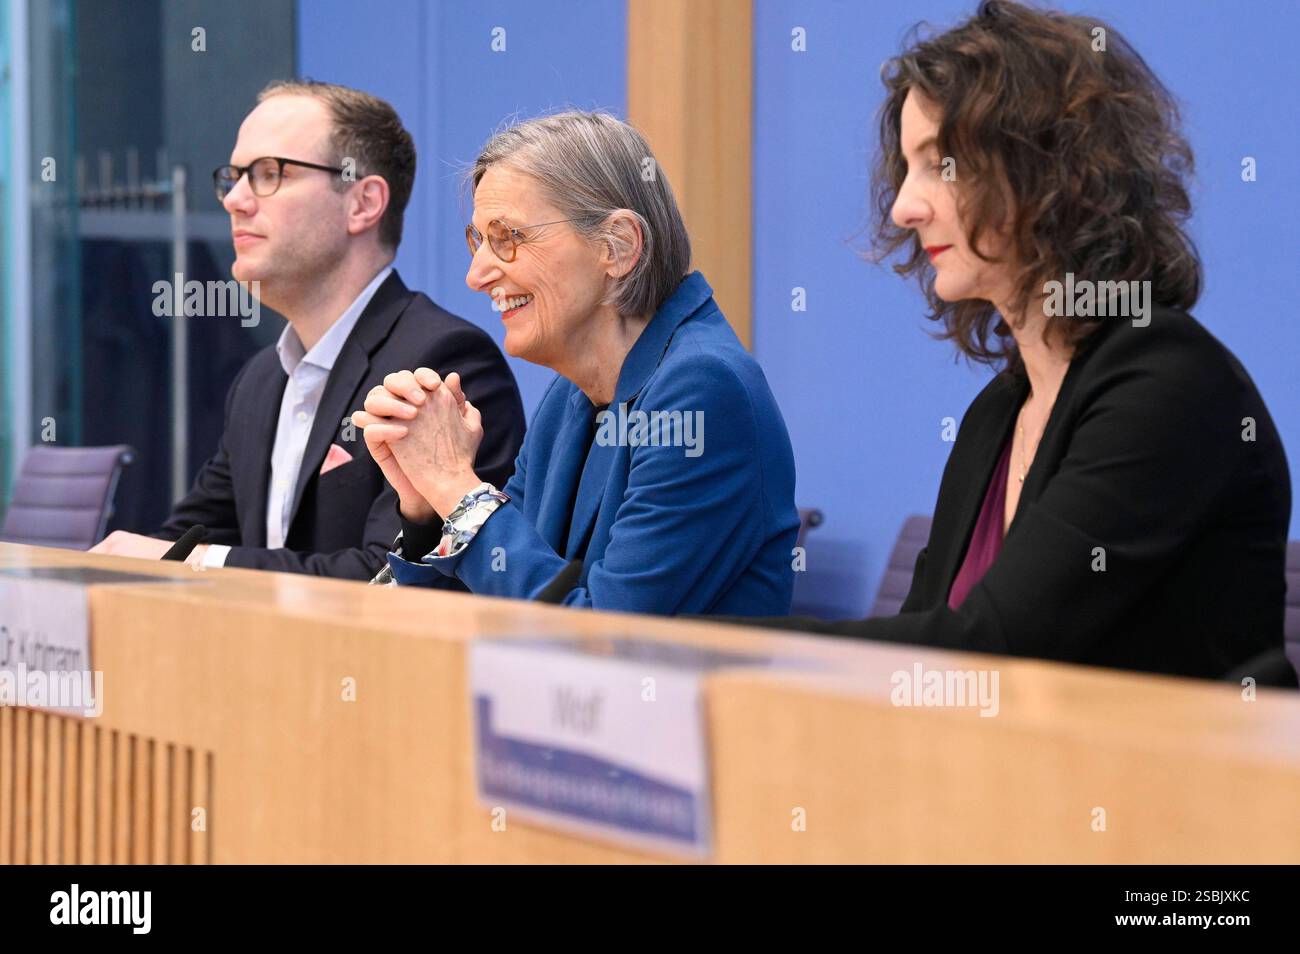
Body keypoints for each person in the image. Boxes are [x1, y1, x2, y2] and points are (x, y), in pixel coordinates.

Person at [723, 0, 1291, 679]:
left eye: (940, 165)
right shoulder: (1000, 410)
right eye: (906, 169)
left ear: (1048, 174)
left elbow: (994, 648)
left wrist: (711, 648)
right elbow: (926, 634)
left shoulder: (1169, 385)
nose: (904, 206)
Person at [352, 112, 799, 614]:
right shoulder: (571, 395)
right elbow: (483, 609)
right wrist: (425, 505)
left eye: (509, 237)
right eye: (478, 241)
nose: (476, 275)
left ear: (617, 246)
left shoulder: (705, 390)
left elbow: (603, 638)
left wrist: (457, 488)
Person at [91, 80, 525, 579]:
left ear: (362, 203)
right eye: (232, 177)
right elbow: (186, 538)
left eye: (269, 173)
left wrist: (199, 561)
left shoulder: (444, 360)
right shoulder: (260, 380)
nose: (234, 199)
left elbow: (390, 573)